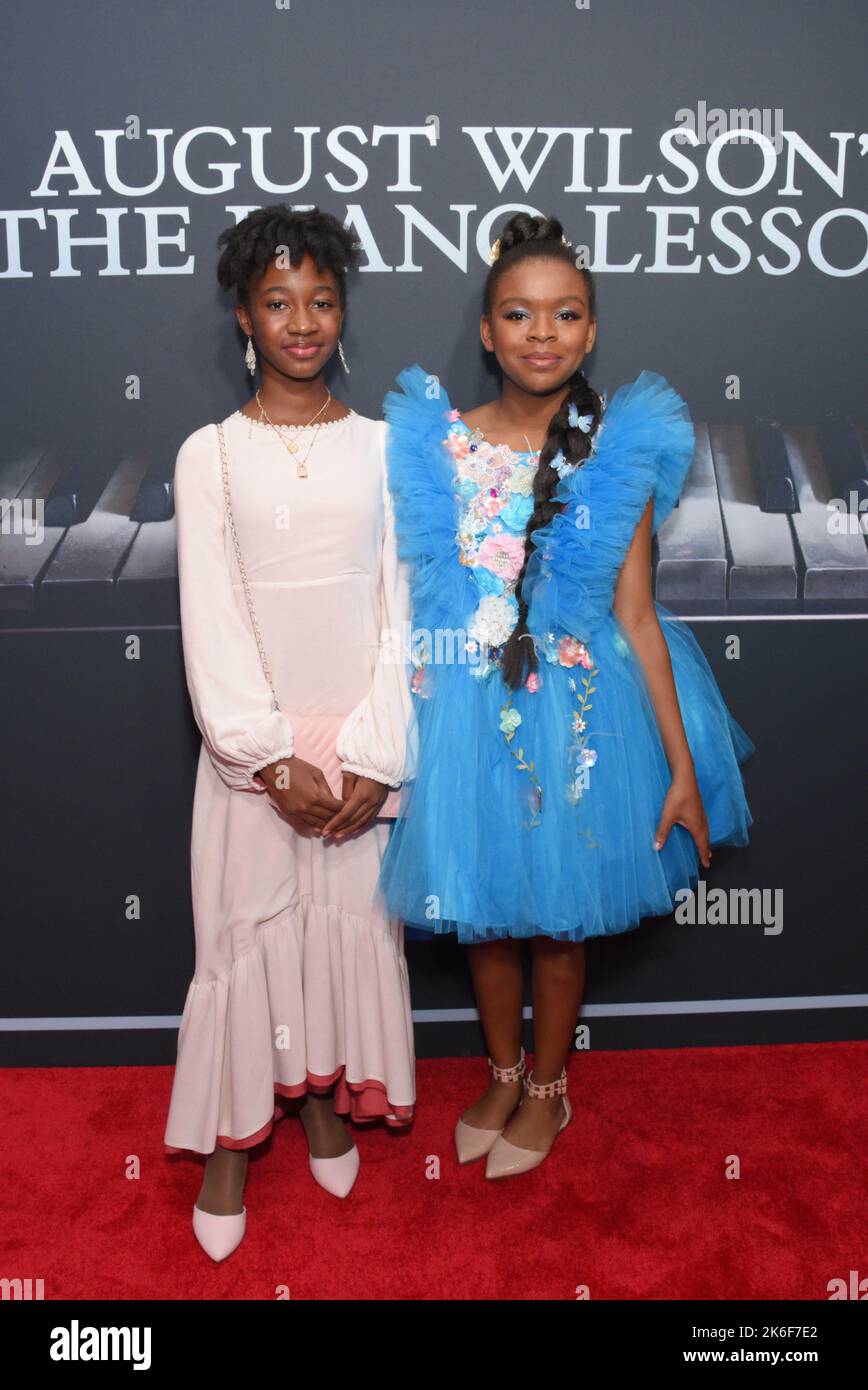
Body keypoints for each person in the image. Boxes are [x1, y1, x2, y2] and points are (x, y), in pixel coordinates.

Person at [377, 212, 754, 1180]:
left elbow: (635, 615)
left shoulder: (612, 450)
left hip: (583, 717)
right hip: (467, 707)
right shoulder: (441, 444)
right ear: (487, 333)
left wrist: (680, 766)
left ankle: (550, 1084)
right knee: (481, 905)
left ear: (589, 333)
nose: (540, 333)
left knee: (559, 911)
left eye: (564, 314)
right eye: (518, 313)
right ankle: (499, 1070)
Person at [163, 205, 415, 1259]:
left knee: (341, 934)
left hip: (357, 754)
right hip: (252, 763)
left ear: (342, 310)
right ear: (244, 318)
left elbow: (404, 612)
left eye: (319, 299)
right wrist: (267, 758)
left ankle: (318, 1101)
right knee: (244, 938)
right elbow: (210, 619)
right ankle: (232, 1139)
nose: (301, 321)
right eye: (278, 302)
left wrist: (369, 753)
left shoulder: (389, 448)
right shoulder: (208, 457)